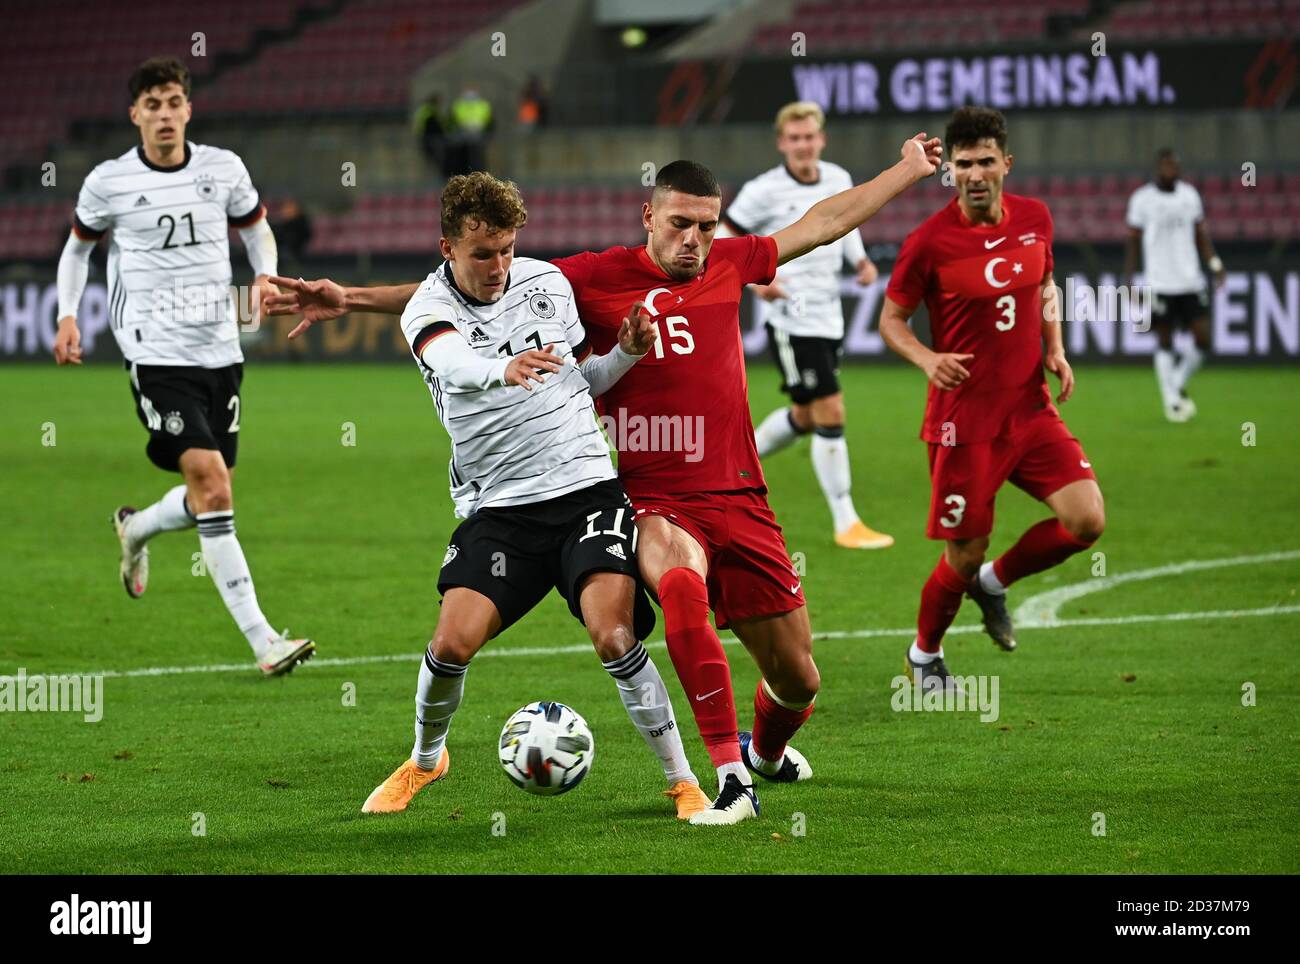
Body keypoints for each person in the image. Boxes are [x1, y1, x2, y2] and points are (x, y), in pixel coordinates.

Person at [266, 132, 943, 825]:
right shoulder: (589, 276)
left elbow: (823, 222)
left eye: (706, 226)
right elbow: (460, 292)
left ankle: (763, 755)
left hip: (733, 493)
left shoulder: (727, 264)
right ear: (648, 216)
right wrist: (349, 297)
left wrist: (907, 170)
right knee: (664, 596)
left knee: (798, 679)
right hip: (646, 498)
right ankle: (715, 779)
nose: (693, 239)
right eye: (679, 223)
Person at [279, 172, 710, 819]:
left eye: (508, 248)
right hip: (500, 509)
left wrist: (621, 355)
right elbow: (454, 365)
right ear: (447, 247)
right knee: (452, 644)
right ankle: (426, 761)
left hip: (585, 491)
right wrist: (500, 369)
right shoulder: (427, 308)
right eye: (483, 253)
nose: (499, 265)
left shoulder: (546, 284)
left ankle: (682, 780)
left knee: (614, 635)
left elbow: (580, 380)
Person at [52, 55, 313, 676]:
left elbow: (256, 230)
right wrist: (67, 315)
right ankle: (264, 642)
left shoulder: (223, 168)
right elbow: (76, 252)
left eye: (174, 102)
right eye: (153, 104)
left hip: (220, 349)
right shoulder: (107, 181)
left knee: (208, 493)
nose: (164, 114)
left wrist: (265, 274)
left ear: (188, 109)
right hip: (153, 350)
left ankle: (137, 528)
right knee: (214, 485)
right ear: (135, 114)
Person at [879, 106, 1106, 689]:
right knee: (963, 553)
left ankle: (995, 585)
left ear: (1006, 163)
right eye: (962, 165)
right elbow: (892, 321)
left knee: (1086, 521)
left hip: (1030, 410)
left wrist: (1054, 346)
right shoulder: (928, 242)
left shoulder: (1035, 218)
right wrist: (928, 359)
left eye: (985, 161)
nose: (974, 173)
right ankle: (924, 657)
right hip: (964, 425)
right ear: (948, 172)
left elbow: (1045, 285)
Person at [722, 100, 891, 549]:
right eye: (793, 138)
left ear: (821, 139)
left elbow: (846, 222)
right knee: (830, 411)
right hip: (790, 320)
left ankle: (736, 459)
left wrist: (861, 261)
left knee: (805, 414)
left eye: (808, 137)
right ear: (782, 143)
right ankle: (846, 521)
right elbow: (723, 233)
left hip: (829, 314)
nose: (802, 145)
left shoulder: (837, 178)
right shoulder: (763, 189)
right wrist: (756, 283)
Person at [1123, 148, 1225, 422]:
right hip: (1159, 282)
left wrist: (1214, 264)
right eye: (1166, 164)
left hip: (1190, 279)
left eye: (1175, 165)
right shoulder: (1142, 199)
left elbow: (1200, 235)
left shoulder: (1189, 196)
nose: (1171, 169)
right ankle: (1172, 402)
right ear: (1158, 167)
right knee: (1164, 340)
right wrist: (1130, 278)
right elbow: (1133, 242)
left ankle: (1175, 384)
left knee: (1203, 339)